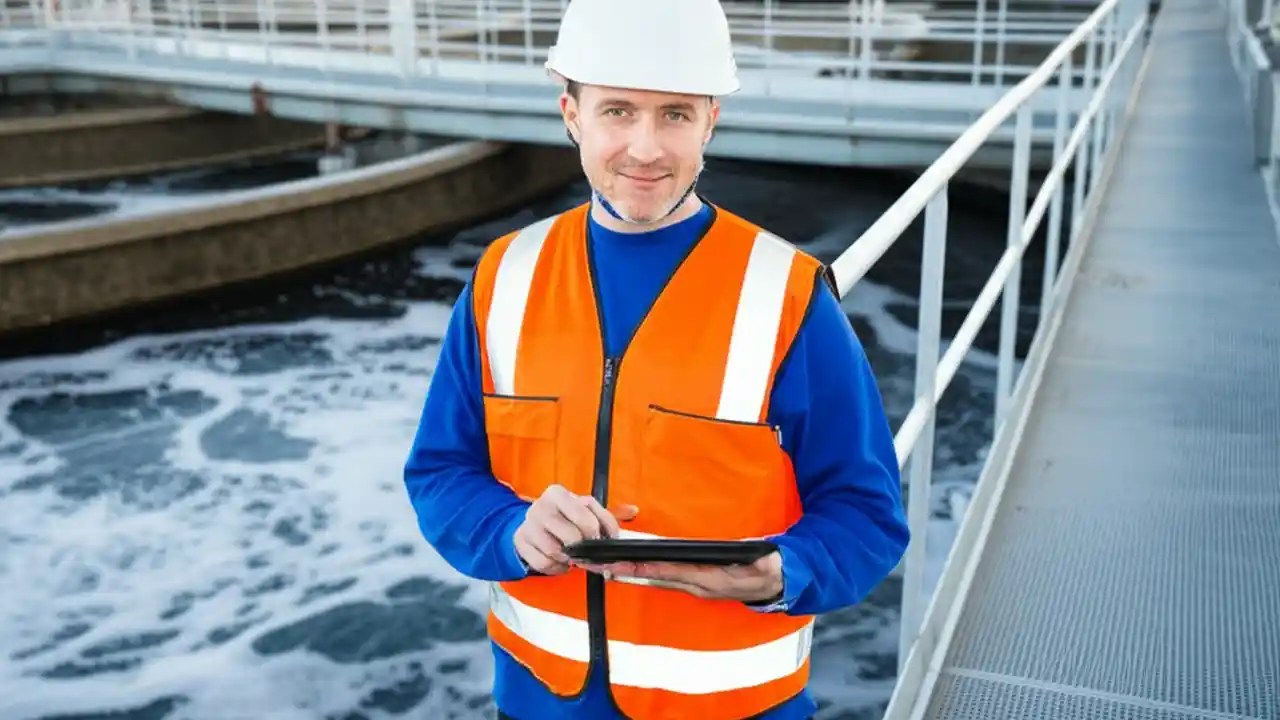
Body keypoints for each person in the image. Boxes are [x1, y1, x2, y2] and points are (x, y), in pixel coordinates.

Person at [402, 0, 910, 717]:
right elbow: (440, 471)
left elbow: (868, 515)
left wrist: (779, 575)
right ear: (571, 115)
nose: (645, 148)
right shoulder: (502, 278)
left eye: (674, 114)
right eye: (617, 112)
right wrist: (509, 530)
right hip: (537, 700)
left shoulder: (790, 297)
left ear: (711, 122)